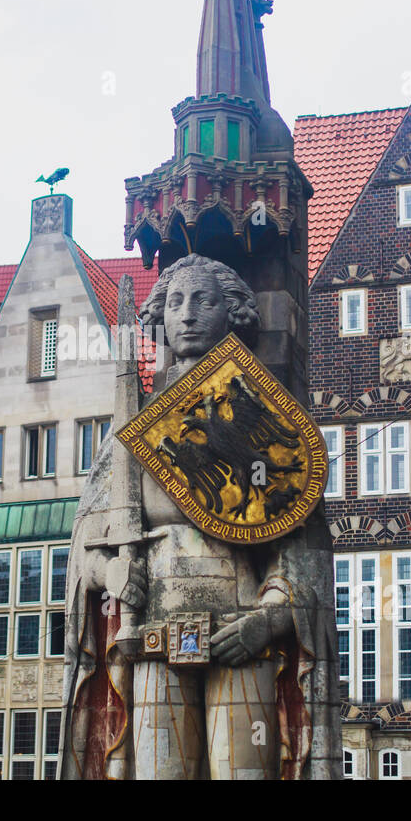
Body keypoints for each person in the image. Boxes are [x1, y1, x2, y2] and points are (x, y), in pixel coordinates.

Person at [60, 254, 333, 779]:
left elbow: (300, 552)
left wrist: (270, 618)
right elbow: (88, 545)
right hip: (153, 627)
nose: (187, 315)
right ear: (160, 318)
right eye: (176, 302)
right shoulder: (134, 429)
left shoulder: (264, 416)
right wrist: (110, 571)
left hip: (240, 625)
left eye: (204, 301)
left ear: (232, 313)